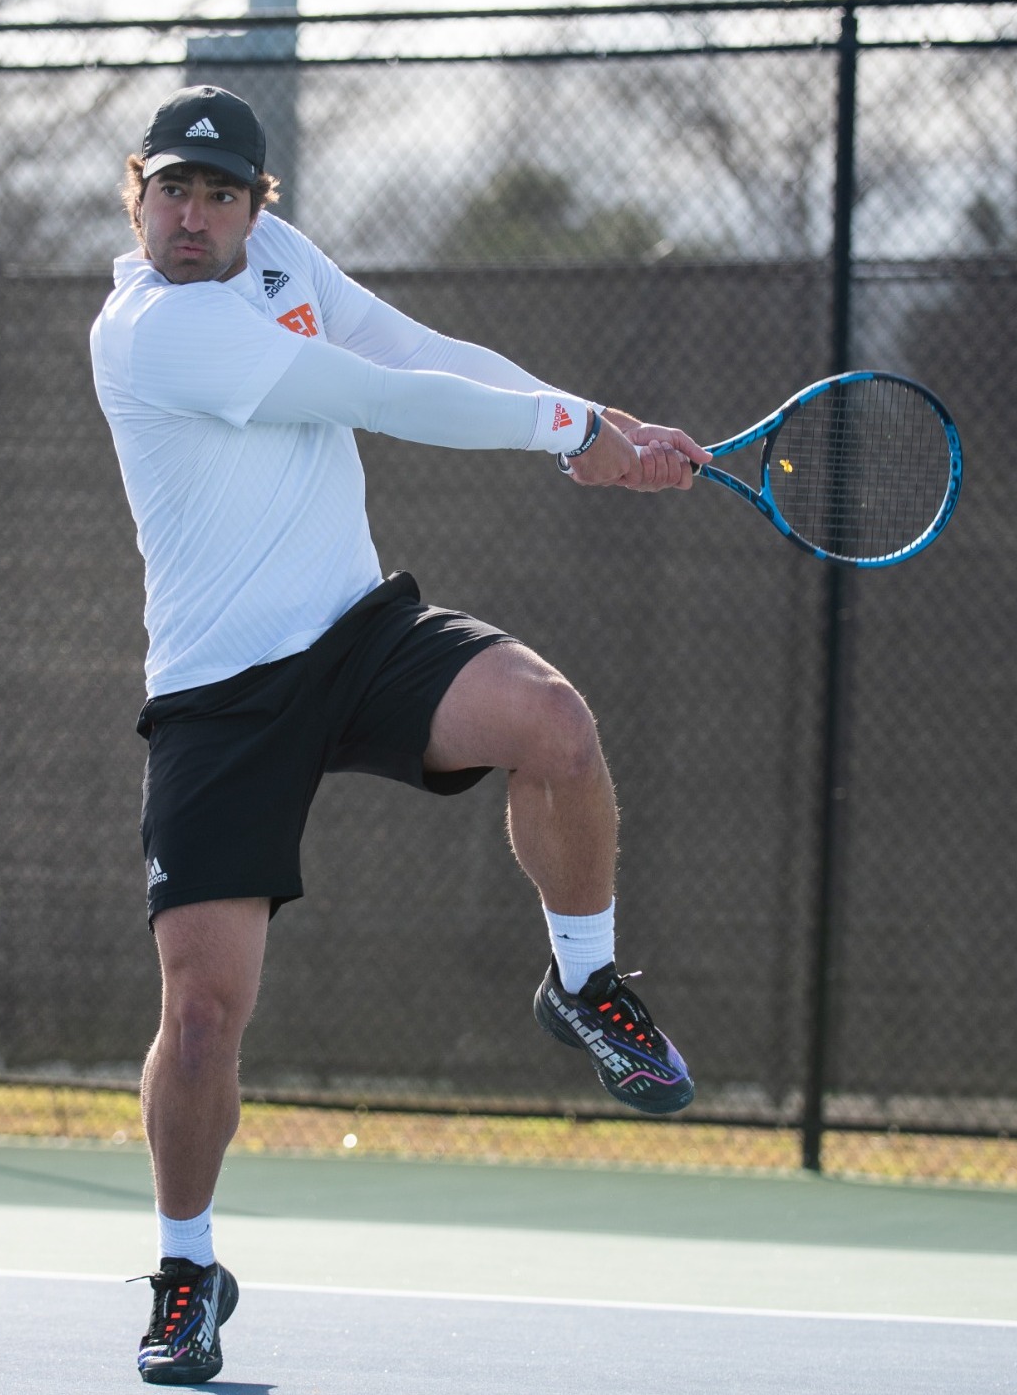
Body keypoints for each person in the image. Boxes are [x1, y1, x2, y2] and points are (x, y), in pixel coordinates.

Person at [89, 85, 712, 1386]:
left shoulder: (281, 261)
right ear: (137, 196)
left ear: (255, 205)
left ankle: (585, 981)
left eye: (219, 194)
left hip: (357, 633)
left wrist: (594, 423)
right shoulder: (152, 330)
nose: (193, 215)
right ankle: (188, 1268)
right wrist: (573, 434)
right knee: (200, 1015)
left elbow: (420, 347)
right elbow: (372, 392)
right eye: (172, 190)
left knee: (553, 724)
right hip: (220, 696)